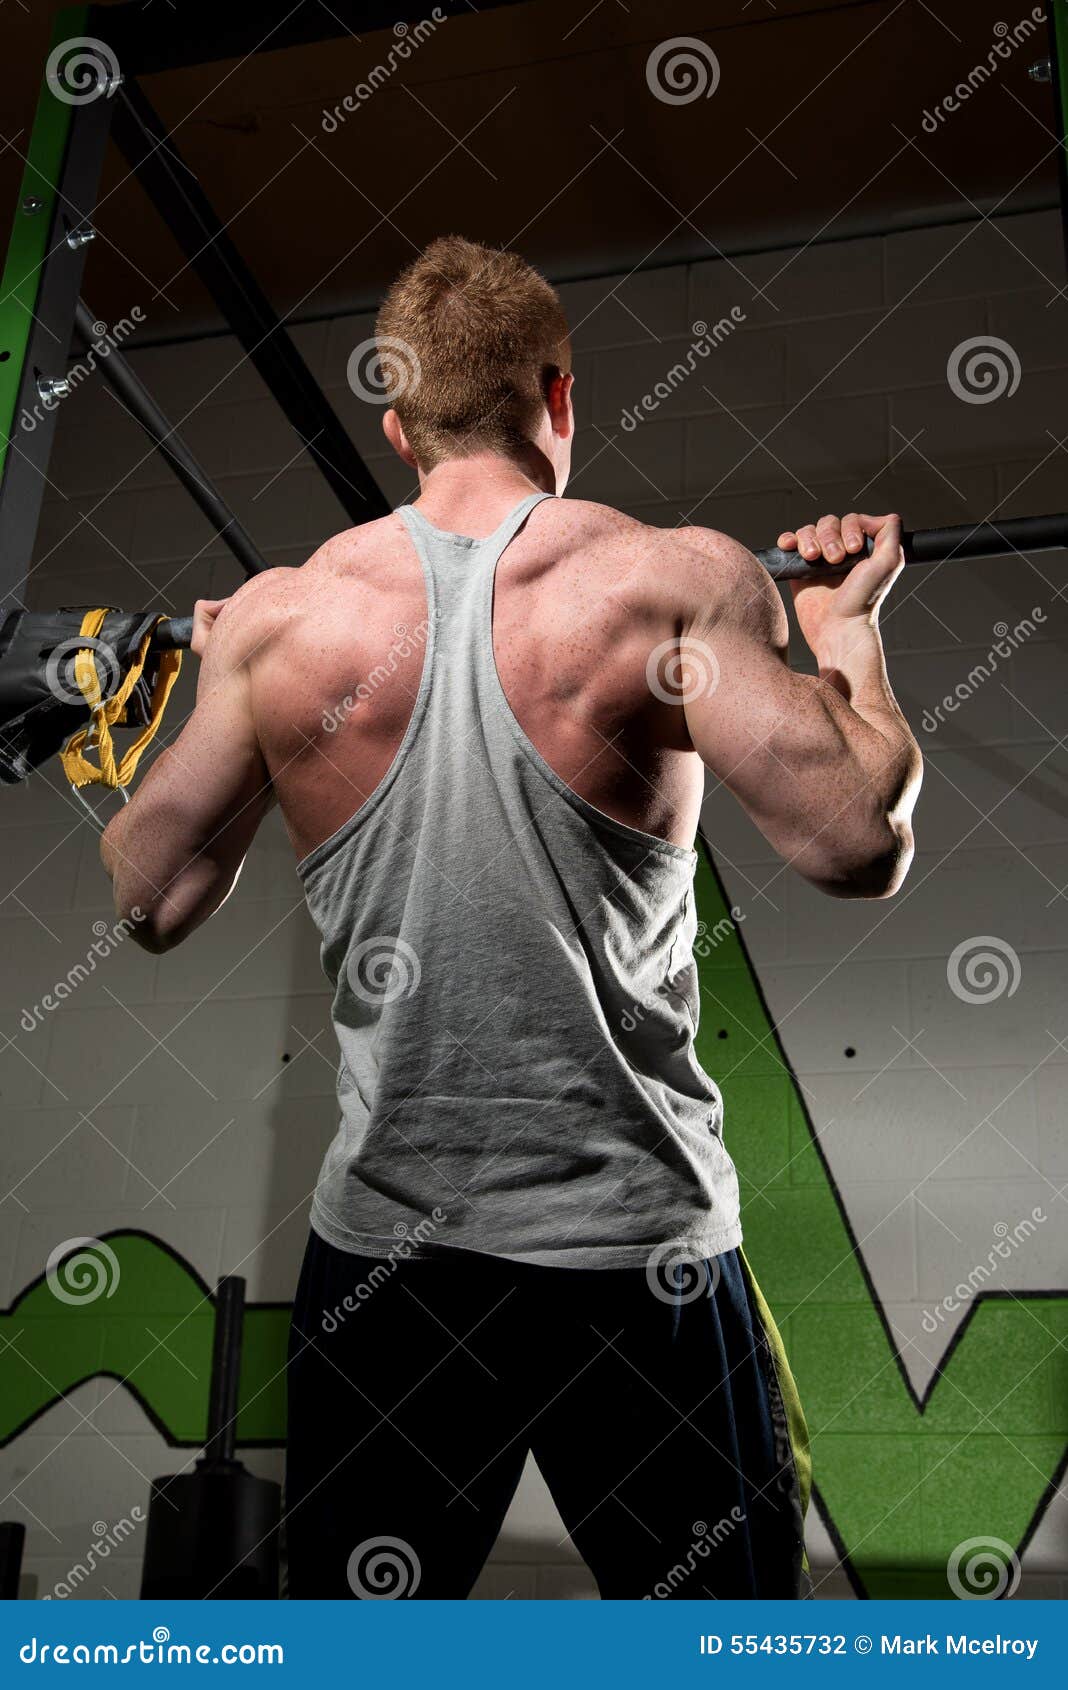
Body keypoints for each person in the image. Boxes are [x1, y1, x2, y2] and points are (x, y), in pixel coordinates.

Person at [100, 236, 921, 1599]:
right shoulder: (672, 580)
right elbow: (857, 845)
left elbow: (151, 896)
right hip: (637, 1256)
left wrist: (242, 705)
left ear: (396, 423)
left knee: (369, 1660)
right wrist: (848, 632)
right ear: (558, 397)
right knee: (719, 1657)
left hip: (388, 1265)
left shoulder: (279, 618)